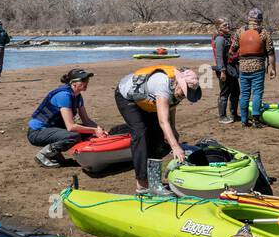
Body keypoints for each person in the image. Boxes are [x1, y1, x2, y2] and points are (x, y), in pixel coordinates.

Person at [114, 65, 202, 193]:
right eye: (183, 92)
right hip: (127, 97)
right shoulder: (162, 84)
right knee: (141, 133)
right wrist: (175, 147)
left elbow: (171, 106)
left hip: (147, 101)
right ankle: (142, 184)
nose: (183, 96)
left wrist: (173, 129)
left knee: (158, 137)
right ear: (178, 83)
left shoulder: (178, 89)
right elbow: (163, 120)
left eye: (186, 95)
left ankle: (154, 182)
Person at [28, 68, 105, 167]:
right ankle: (43, 155)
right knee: (74, 136)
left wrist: (100, 130)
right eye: (83, 80)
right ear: (73, 83)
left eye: (87, 80)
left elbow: (86, 120)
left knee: (86, 133)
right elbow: (71, 127)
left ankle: (56, 153)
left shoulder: (78, 96)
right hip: (37, 132)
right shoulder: (64, 95)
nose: (86, 82)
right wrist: (94, 130)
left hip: (52, 129)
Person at [234, 8, 276, 128]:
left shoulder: (240, 31)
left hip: (243, 67)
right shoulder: (264, 32)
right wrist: (273, 68)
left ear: (248, 19)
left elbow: (233, 49)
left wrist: (237, 62)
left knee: (245, 93)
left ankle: (243, 120)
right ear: (260, 20)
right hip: (258, 66)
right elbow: (271, 53)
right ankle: (256, 120)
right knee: (257, 93)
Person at [210, 18, 239, 124]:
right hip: (224, 70)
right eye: (224, 25)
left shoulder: (227, 37)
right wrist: (222, 71)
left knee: (236, 91)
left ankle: (234, 114)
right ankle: (222, 117)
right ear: (219, 28)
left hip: (231, 69)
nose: (228, 27)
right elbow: (219, 57)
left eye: (228, 24)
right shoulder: (220, 39)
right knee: (225, 93)